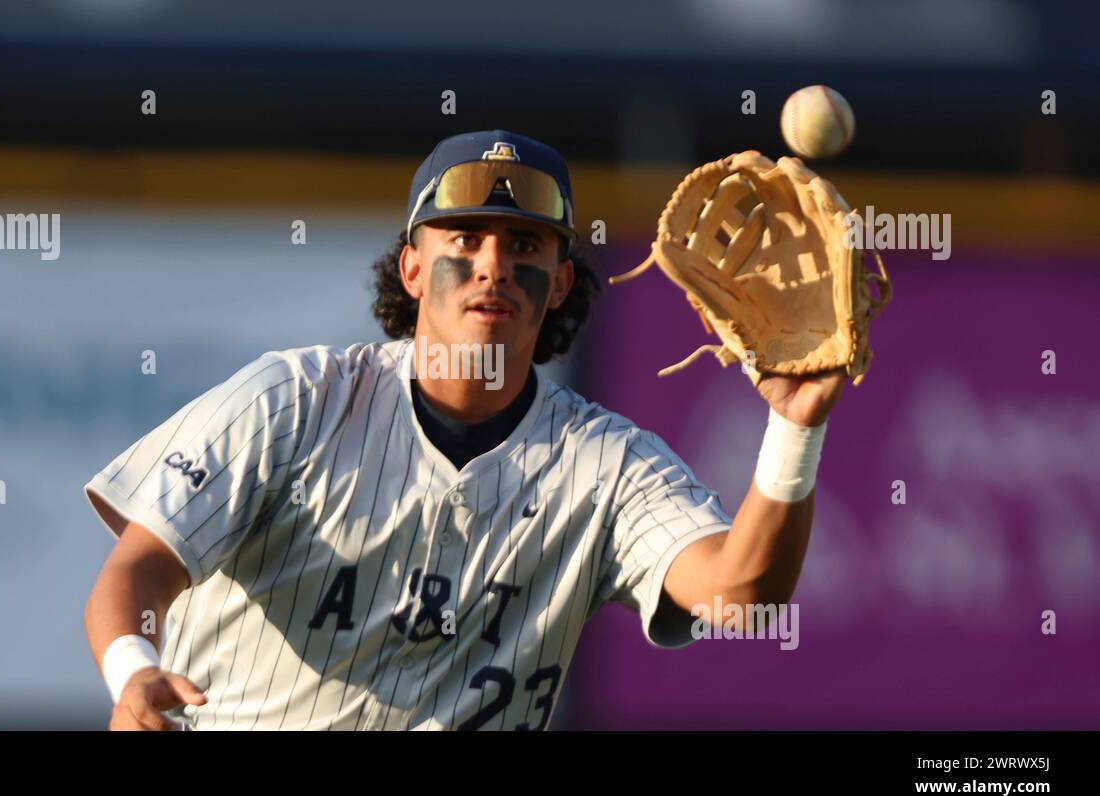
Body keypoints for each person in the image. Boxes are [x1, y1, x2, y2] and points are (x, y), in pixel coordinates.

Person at [81, 129, 844, 730]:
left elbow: (740, 592)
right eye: (465, 238)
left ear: (561, 283)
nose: (493, 265)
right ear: (412, 269)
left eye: (524, 244)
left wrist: (792, 428)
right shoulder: (295, 401)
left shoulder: (606, 464)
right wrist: (132, 669)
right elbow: (138, 570)